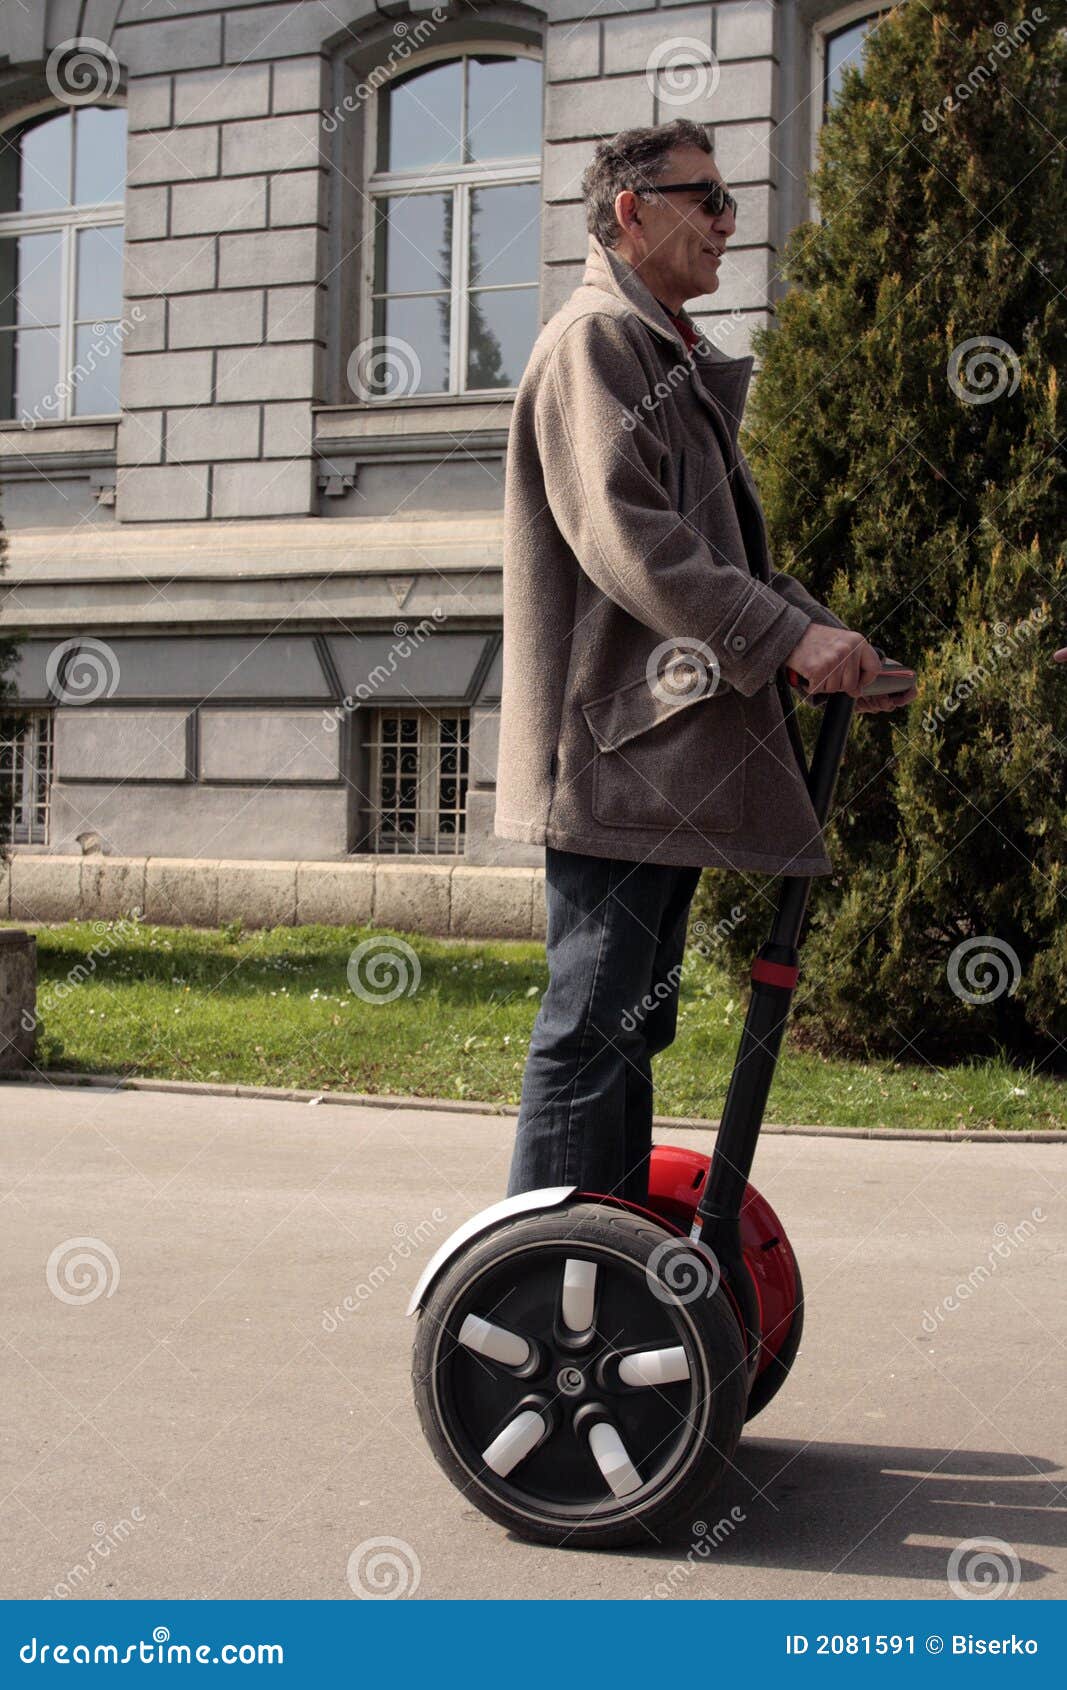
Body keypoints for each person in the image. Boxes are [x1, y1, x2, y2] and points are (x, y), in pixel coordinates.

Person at [493, 119, 916, 1206]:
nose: (729, 225)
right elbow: (633, 542)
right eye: (707, 201)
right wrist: (784, 641)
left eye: (730, 203)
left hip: (652, 758)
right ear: (630, 211)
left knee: (630, 1022)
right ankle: (542, 1281)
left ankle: (607, 1252)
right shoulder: (595, 341)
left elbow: (725, 558)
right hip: (608, 758)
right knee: (590, 1024)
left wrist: (838, 651)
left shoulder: (658, 351)